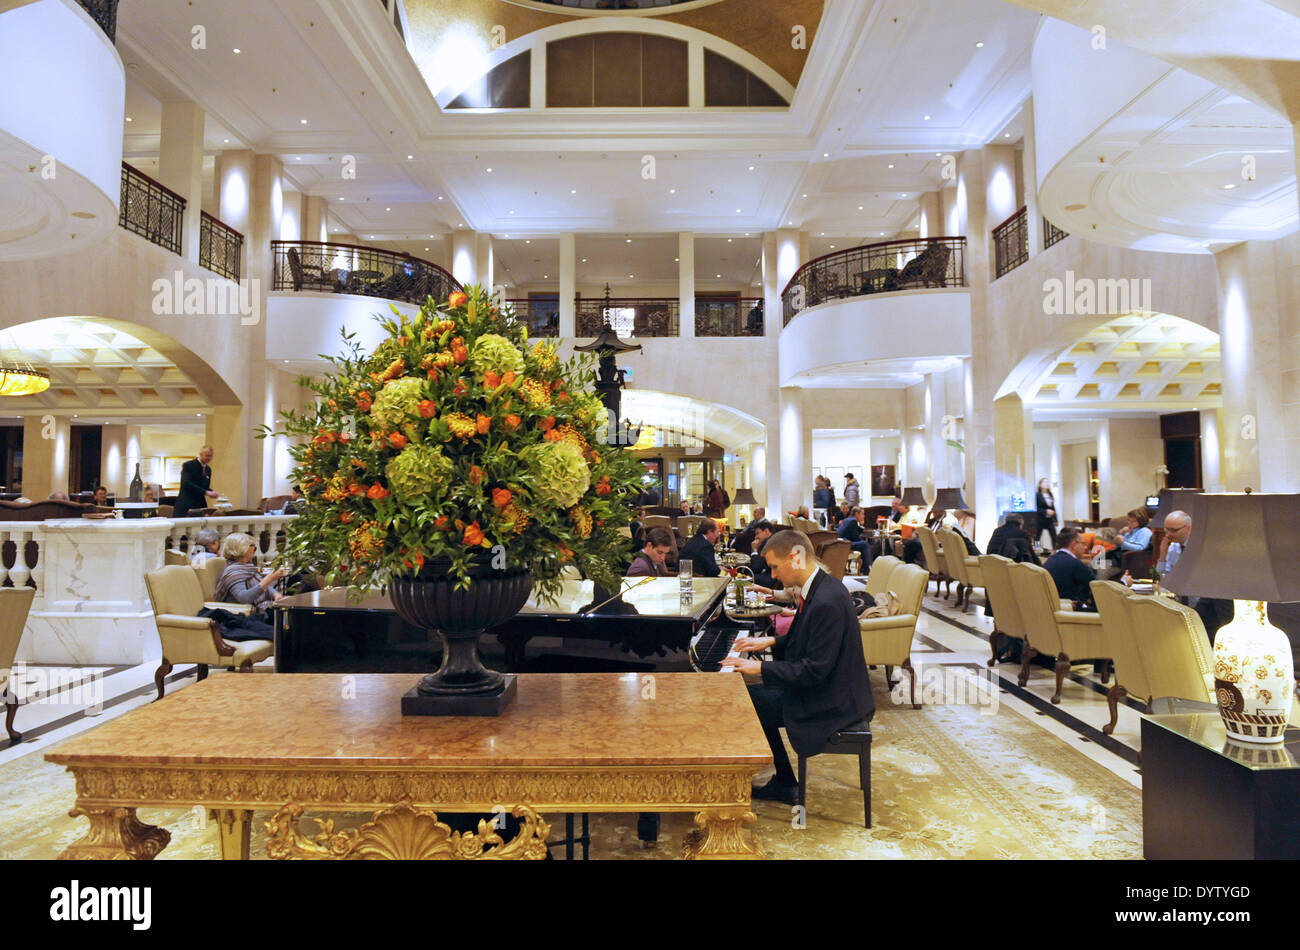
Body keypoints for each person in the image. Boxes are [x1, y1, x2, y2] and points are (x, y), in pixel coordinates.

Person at [721, 530, 872, 805]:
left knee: (745, 700)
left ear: (794, 558)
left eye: (775, 567)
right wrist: (771, 639)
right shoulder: (822, 587)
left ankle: (781, 782)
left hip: (831, 701)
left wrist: (760, 670)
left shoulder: (826, 601)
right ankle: (784, 780)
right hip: (833, 688)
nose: (774, 575)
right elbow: (806, 637)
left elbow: (814, 669)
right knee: (752, 695)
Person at [212, 532, 287, 638]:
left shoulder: (246, 566)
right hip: (246, 617)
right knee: (288, 628)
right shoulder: (233, 571)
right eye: (251, 546)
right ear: (241, 549)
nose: (254, 548)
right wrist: (269, 579)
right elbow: (244, 597)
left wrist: (275, 594)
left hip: (263, 609)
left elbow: (260, 584)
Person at [1043, 526, 1095, 609]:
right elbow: (1097, 587)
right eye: (1083, 544)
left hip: (1051, 608)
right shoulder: (1075, 564)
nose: (1085, 548)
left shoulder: (1049, 561)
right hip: (1071, 611)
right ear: (1074, 545)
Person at [175, 445, 219, 519]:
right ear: (200, 454)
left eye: (211, 456)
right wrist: (206, 492)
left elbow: (204, 486)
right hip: (186, 504)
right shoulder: (189, 465)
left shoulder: (208, 469)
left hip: (199, 505)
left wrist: (212, 492)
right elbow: (186, 483)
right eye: (207, 456)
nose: (209, 458)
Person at [1036, 477, 1058, 551]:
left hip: (1050, 519)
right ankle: (1037, 550)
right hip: (1040, 519)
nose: (1047, 484)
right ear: (1040, 485)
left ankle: (1054, 551)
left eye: (1047, 482)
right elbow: (1037, 508)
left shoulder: (1050, 494)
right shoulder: (1038, 495)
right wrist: (1045, 511)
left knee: (1054, 536)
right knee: (1037, 536)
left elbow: (1053, 507)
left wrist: (1056, 519)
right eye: (1044, 482)